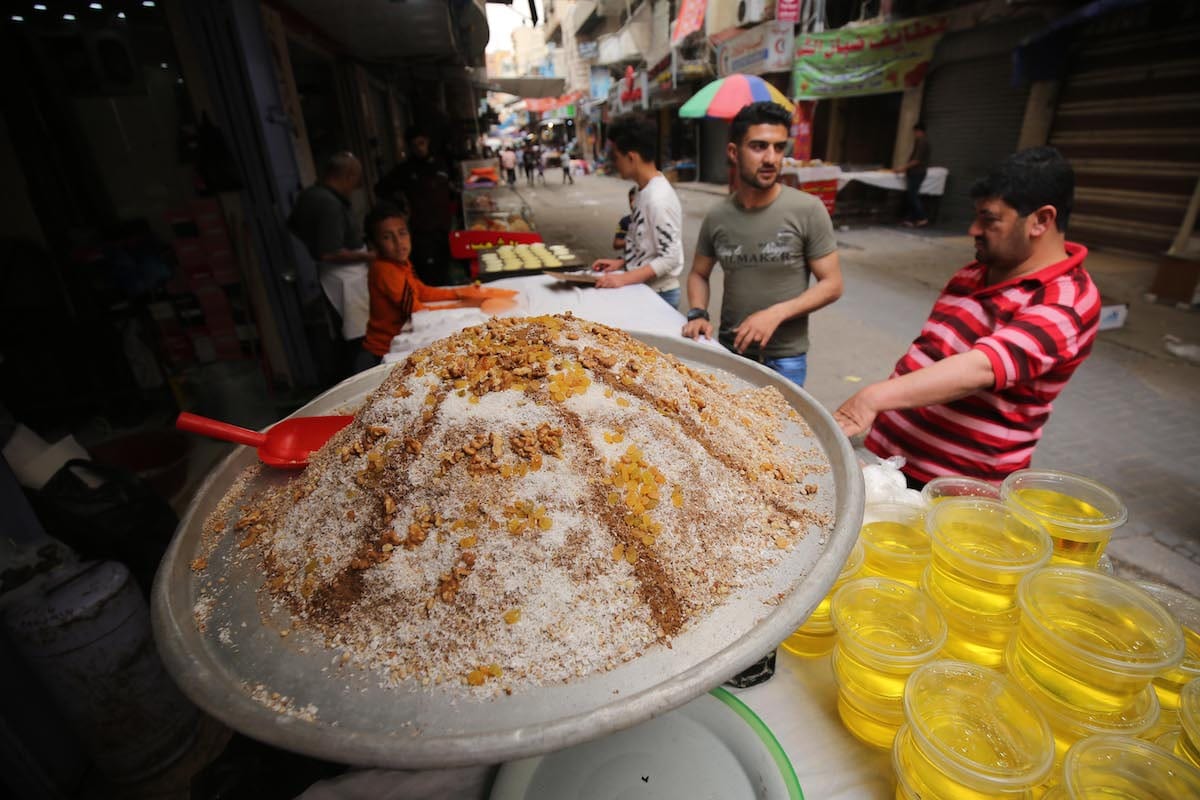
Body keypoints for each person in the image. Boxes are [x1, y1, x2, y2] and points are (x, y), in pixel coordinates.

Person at [835, 146, 1101, 487]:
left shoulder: (1069, 301)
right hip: (892, 458)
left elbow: (984, 366)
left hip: (958, 486)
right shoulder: (974, 273)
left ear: (1041, 220)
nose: (973, 229)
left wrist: (871, 398)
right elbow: (931, 355)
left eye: (989, 219)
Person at [681, 102, 843, 388]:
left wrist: (775, 314)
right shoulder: (718, 216)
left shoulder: (807, 209)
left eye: (779, 148)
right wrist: (698, 312)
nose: (771, 158)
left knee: (780, 434)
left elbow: (832, 284)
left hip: (785, 359)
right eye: (758, 147)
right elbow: (698, 273)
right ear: (733, 152)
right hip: (733, 353)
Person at [590, 113, 684, 308]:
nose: (615, 164)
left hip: (660, 295)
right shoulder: (643, 192)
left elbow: (670, 257)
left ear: (631, 157)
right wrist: (622, 264)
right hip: (646, 289)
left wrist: (624, 278)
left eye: (617, 157)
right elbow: (645, 246)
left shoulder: (658, 198)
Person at [358, 202, 460, 371]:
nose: (399, 243)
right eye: (387, 237)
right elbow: (416, 310)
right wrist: (460, 305)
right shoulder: (386, 270)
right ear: (374, 244)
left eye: (402, 233)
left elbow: (420, 290)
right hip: (384, 349)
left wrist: (459, 294)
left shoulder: (400, 263)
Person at [375, 130, 456, 286]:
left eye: (422, 143)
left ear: (427, 143)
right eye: (415, 145)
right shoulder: (405, 170)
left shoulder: (440, 164)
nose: (419, 148)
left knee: (444, 270)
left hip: (444, 228)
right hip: (422, 232)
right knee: (429, 277)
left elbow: (450, 188)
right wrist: (400, 209)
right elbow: (381, 189)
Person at [288, 151, 367, 268]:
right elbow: (330, 254)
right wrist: (370, 256)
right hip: (343, 274)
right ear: (349, 176)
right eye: (355, 181)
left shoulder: (312, 193)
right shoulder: (329, 203)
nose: (354, 188)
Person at [896, 122, 931, 227]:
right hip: (915, 172)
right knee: (910, 196)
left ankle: (922, 218)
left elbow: (916, 160)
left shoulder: (922, 142)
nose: (914, 134)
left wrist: (902, 168)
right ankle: (910, 220)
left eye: (915, 132)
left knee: (912, 196)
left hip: (917, 172)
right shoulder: (921, 141)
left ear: (919, 131)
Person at [612, 186, 636, 251]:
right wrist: (635, 241)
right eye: (630, 201)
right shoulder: (625, 221)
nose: (632, 205)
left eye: (635, 201)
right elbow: (616, 243)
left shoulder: (651, 220)